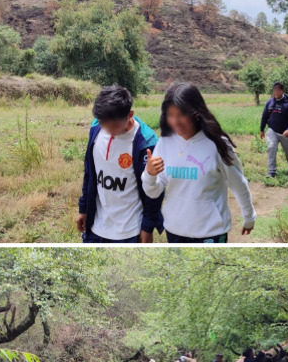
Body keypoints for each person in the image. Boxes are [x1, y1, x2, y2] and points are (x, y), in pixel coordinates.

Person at [142, 83, 256, 243]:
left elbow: (238, 183)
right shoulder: (165, 143)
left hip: (210, 232)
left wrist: (249, 217)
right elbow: (153, 192)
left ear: (195, 112)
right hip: (174, 231)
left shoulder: (217, 145)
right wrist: (150, 175)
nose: (175, 121)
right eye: (170, 115)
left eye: (181, 114)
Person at [76, 85, 164, 243]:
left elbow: (154, 191)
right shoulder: (96, 127)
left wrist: (148, 226)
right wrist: (84, 208)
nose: (109, 131)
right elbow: (89, 172)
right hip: (97, 226)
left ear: (130, 115)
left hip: (129, 230)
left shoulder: (146, 142)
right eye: (105, 125)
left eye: (115, 126)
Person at [259, 81, 288, 178]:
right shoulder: (269, 102)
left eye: (277, 91)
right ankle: (271, 171)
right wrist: (262, 129)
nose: (275, 93)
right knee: (271, 147)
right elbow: (264, 116)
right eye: (274, 91)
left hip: (285, 133)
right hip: (272, 130)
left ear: (282, 91)